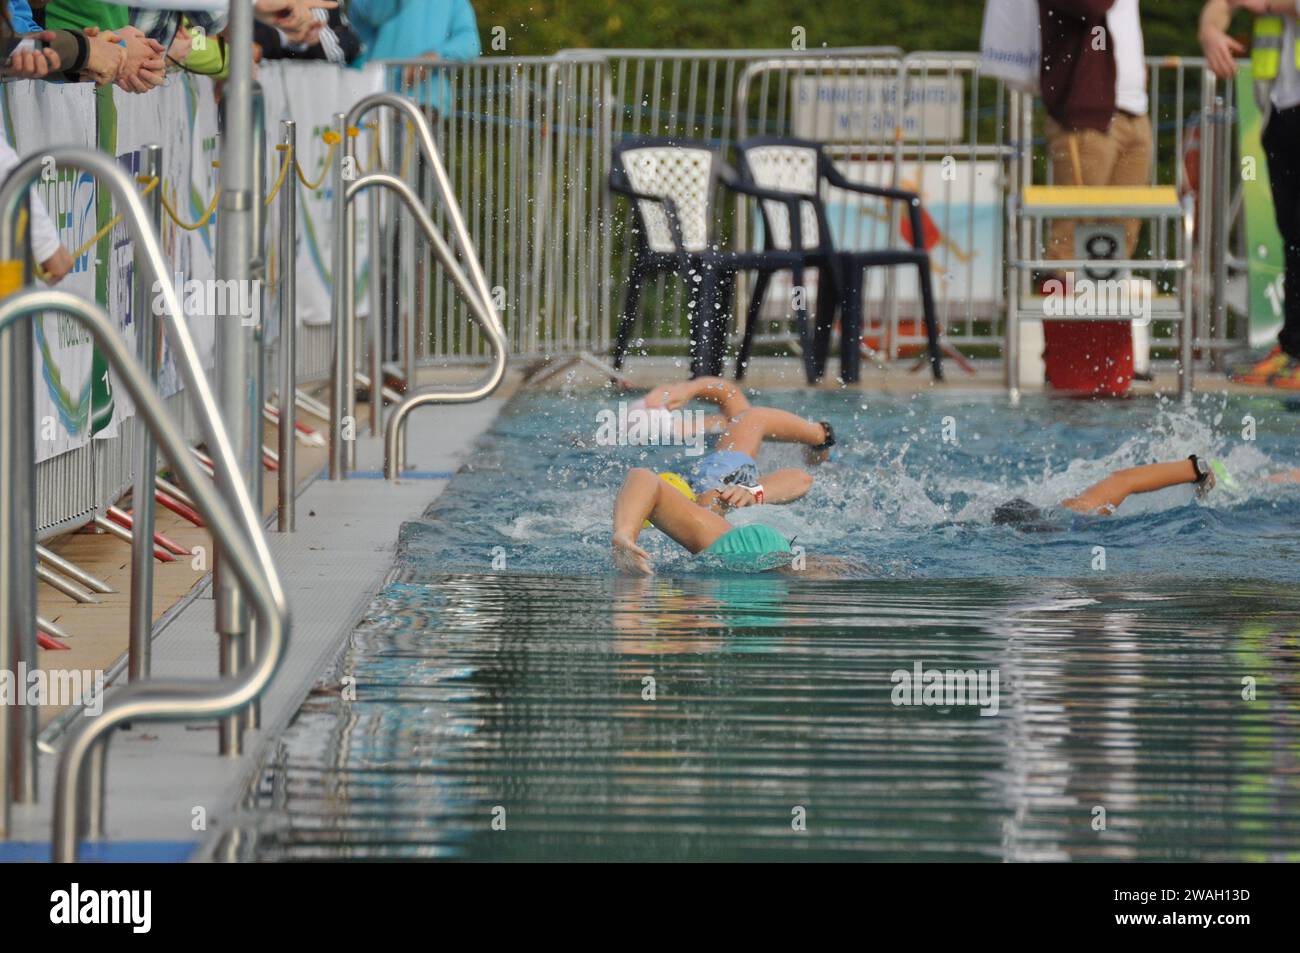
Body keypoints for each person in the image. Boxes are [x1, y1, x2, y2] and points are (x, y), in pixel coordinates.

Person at [610, 377, 836, 575]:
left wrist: (752, 492)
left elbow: (802, 478)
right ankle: (820, 441)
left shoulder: (713, 498)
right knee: (746, 415)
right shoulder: (711, 517)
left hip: (723, 484)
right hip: (743, 530)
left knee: (749, 417)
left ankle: (821, 437)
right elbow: (801, 479)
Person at [1201, 0, 1300, 388]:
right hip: (1280, 109)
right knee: (1292, 236)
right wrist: (1210, 32)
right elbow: (1221, 4)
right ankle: (1292, 348)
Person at [993, 454, 1233, 529]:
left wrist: (1196, 470)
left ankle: (1197, 467)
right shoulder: (1074, 517)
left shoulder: (1078, 512)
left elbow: (1123, 480)